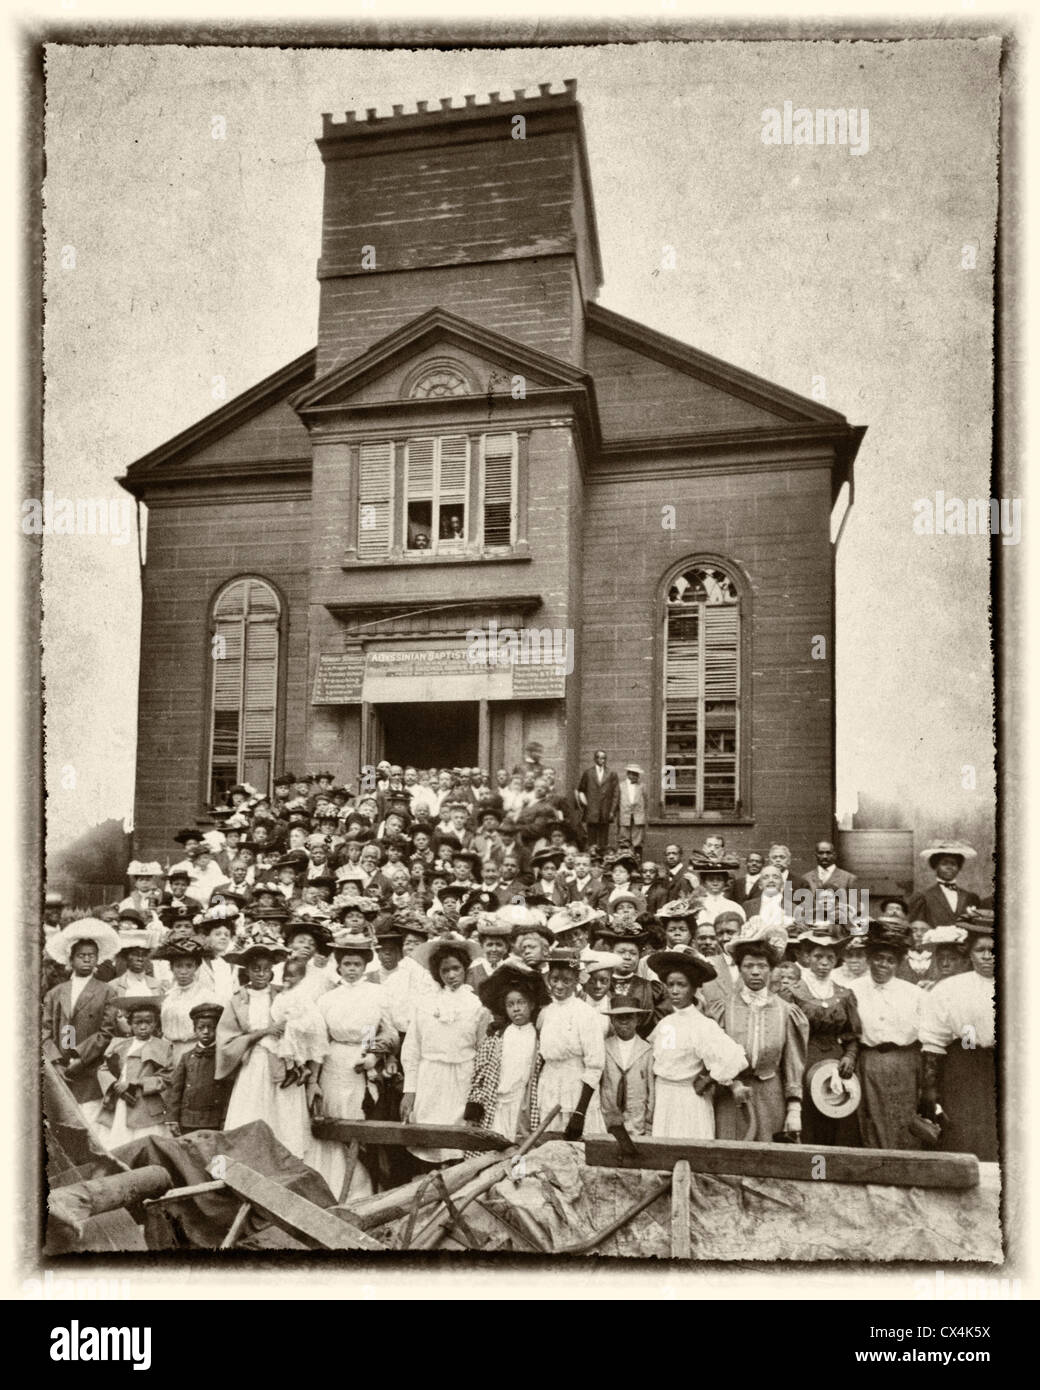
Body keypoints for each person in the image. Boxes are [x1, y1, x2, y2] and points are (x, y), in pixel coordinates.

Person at [314, 931, 399, 1198]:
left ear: (365, 966)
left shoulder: (378, 993)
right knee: (334, 1119)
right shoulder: (327, 999)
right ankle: (333, 1184)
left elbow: (390, 1033)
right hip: (334, 1063)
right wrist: (314, 1079)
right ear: (338, 965)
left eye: (357, 964)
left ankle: (363, 1188)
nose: (352, 969)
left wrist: (374, 1054)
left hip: (364, 1062)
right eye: (347, 964)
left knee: (362, 1120)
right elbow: (319, 1039)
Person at [708, 930, 809, 1143]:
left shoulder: (786, 1011)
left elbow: (793, 1063)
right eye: (748, 966)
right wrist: (730, 1084)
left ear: (772, 970)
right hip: (730, 1095)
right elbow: (713, 1056)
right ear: (739, 968)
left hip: (770, 1095)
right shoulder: (723, 1009)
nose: (755, 972)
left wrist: (794, 1109)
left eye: (762, 966)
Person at [645, 946, 748, 1139]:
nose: (674, 990)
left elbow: (733, 1059)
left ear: (693, 988)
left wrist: (709, 1079)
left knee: (690, 1149)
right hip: (664, 1097)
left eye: (681, 985)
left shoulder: (703, 1025)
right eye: (670, 984)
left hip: (689, 1099)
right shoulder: (665, 1023)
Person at [401, 938, 489, 1164]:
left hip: (463, 1079)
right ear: (437, 973)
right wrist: (410, 1090)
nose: (451, 975)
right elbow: (412, 1049)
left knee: (459, 1142)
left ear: (465, 969)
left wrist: (478, 1094)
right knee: (429, 1138)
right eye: (445, 970)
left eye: (456, 968)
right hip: (431, 1078)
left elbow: (482, 1052)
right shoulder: (425, 1005)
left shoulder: (476, 1006)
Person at [919, 909, 997, 1161]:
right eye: (980, 950)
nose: (987, 956)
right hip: (963, 1068)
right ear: (970, 954)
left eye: (993, 950)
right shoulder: (951, 989)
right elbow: (934, 1042)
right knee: (963, 1134)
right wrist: (930, 1090)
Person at [849, 918, 924, 1150]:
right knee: (871, 1123)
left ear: (899, 964)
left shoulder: (914, 993)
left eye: (890, 960)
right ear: (869, 958)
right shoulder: (853, 990)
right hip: (868, 1061)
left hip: (905, 1063)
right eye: (878, 958)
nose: (883, 965)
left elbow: (927, 1034)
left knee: (904, 1121)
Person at [785, 928, 862, 1146]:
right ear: (807, 957)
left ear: (837, 960)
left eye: (830, 957)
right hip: (802, 1060)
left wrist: (849, 1057)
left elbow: (852, 1035)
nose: (824, 963)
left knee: (837, 1115)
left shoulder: (844, 994)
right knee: (808, 1122)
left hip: (837, 1065)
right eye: (818, 956)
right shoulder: (794, 992)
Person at [42, 919, 122, 1115]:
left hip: (89, 1068)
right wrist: (56, 1062)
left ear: (97, 959)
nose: (86, 960)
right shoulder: (56, 992)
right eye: (81, 956)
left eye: (91, 956)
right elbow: (45, 1030)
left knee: (88, 1117)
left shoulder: (106, 992)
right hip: (59, 1068)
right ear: (71, 959)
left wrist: (80, 1058)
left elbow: (106, 1031)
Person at [464, 962, 548, 1144]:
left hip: (522, 1104)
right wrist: (474, 1105)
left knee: (519, 1151)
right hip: (496, 1103)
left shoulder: (539, 1039)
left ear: (532, 1004)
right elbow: (480, 1074)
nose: (516, 1008)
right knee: (493, 1147)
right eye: (510, 1004)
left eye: (521, 1003)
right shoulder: (496, 1037)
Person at [535, 949, 608, 1139]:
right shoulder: (545, 1013)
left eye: (566, 980)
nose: (559, 986)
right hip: (550, 1086)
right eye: (554, 979)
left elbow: (595, 1066)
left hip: (576, 1088)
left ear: (577, 980)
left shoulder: (586, 1014)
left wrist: (580, 1112)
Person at [95, 999, 172, 1149]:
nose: (143, 1026)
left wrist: (134, 1083)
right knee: (118, 1141)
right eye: (138, 1022)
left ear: (156, 1023)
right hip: (119, 1100)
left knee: (143, 1142)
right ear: (130, 1023)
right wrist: (114, 1084)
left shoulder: (163, 1047)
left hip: (144, 1105)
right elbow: (103, 1069)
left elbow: (166, 1078)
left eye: (148, 1022)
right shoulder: (119, 1044)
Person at [165, 1002, 233, 1135]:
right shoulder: (186, 1057)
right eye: (201, 1027)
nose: (206, 1032)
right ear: (194, 1030)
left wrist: (225, 1118)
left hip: (214, 1120)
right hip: (188, 1120)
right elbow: (175, 1090)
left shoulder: (223, 1057)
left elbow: (228, 1091)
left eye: (211, 1027)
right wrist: (172, 1119)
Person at [156, 939, 219, 1067]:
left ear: (196, 967)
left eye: (189, 966)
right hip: (170, 1052)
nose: (183, 971)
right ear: (171, 968)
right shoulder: (167, 996)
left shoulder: (206, 996)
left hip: (196, 1051)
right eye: (179, 966)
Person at [600, 998, 656, 1138]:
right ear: (612, 1020)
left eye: (629, 1017)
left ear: (638, 1019)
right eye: (619, 1017)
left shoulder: (647, 1050)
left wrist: (649, 1121)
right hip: (609, 1116)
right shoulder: (604, 1047)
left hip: (637, 1118)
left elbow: (651, 1089)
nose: (624, 1021)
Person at [907, 841, 980, 928]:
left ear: (958, 867)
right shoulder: (923, 897)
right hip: (935, 941)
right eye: (944, 863)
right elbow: (917, 927)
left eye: (953, 864)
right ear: (935, 866)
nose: (949, 867)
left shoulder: (969, 897)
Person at [575, 751, 620, 851]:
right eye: (600, 758)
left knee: (604, 841)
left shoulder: (611, 773)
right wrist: (585, 804)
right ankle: (592, 859)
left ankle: (603, 860)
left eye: (604, 758)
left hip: (605, 811)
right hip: (592, 811)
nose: (602, 761)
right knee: (592, 840)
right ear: (595, 759)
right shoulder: (588, 773)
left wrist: (612, 811)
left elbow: (616, 794)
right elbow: (581, 790)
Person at [616, 765, 647, 854]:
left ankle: (638, 861)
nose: (636, 777)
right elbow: (617, 801)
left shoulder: (642, 786)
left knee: (638, 841)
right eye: (633, 774)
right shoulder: (621, 786)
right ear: (628, 774)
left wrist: (642, 814)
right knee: (623, 840)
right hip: (625, 816)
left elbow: (646, 801)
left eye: (637, 774)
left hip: (638, 817)